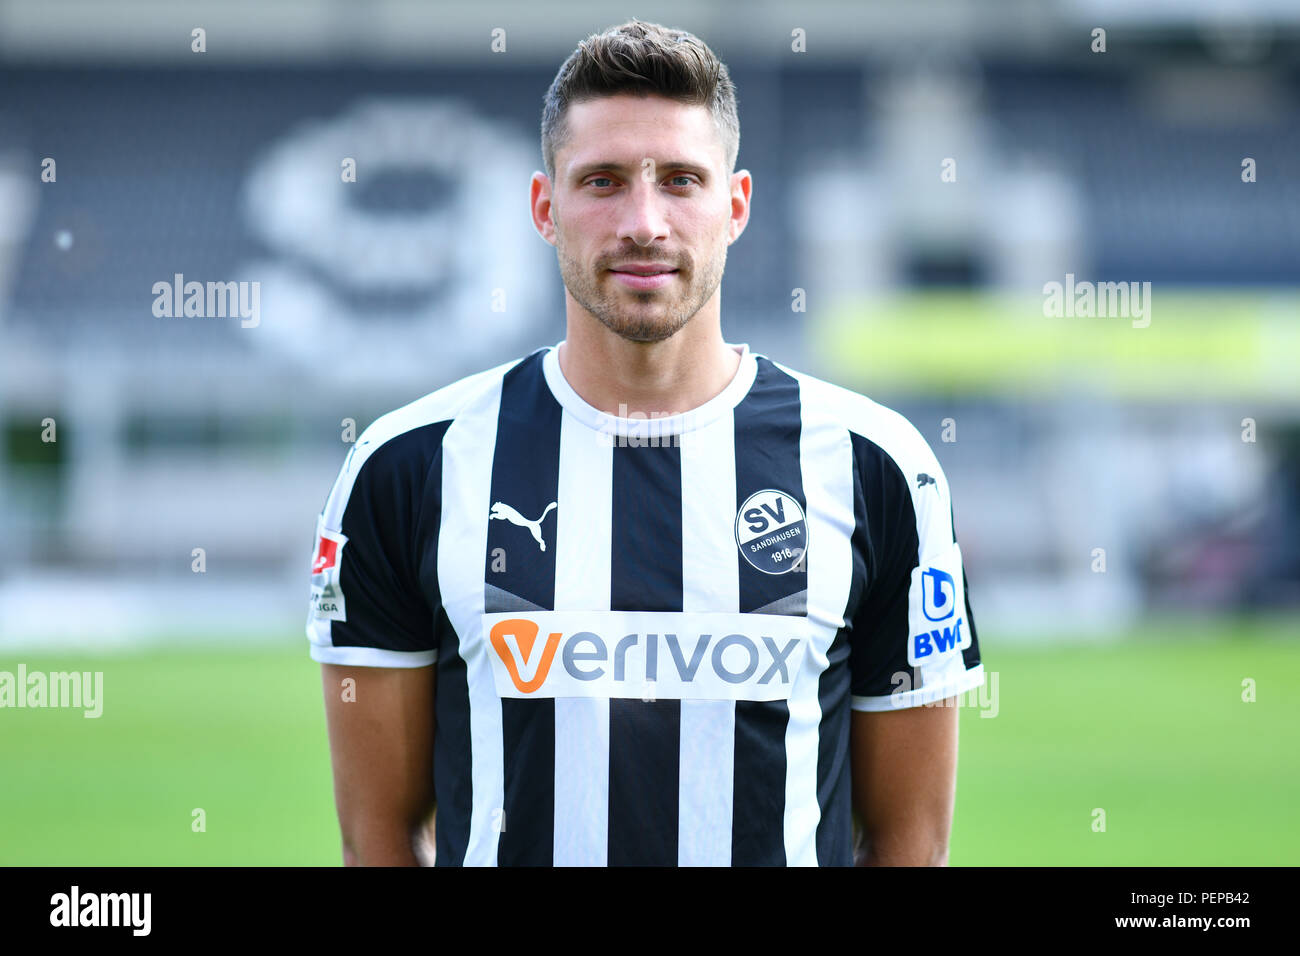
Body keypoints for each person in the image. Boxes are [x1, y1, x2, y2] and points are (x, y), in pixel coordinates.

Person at [308, 18, 984, 867]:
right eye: (602, 181)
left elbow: (910, 843)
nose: (644, 221)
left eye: (680, 180)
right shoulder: (408, 467)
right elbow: (379, 839)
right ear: (545, 208)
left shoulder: (878, 466)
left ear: (733, 206)